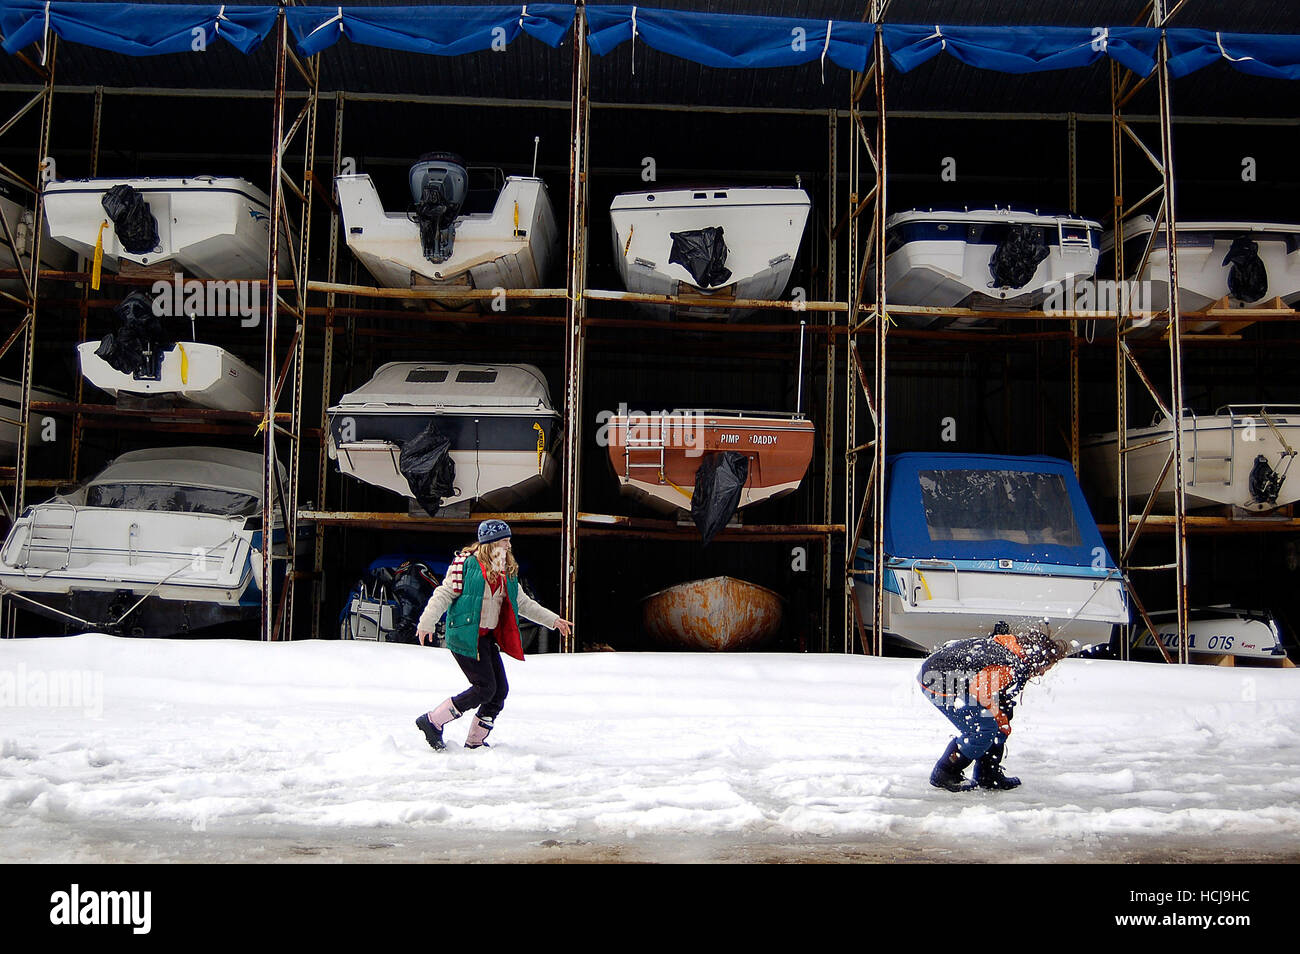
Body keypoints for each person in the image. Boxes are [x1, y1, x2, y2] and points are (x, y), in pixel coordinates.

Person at [413, 520, 572, 750]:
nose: (509, 546)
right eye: (505, 541)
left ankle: (475, 741)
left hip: (486, 638)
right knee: (485, 688)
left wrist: (553, 620)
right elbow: (444, 593)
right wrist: (426, 623)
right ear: (491, 542)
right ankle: (432, 721)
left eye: (509, 541)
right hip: (464, 635)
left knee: (500, 691)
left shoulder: (506, 569)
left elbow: (523, 603)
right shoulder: (465, 564)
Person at [917, 623, 1067, 791]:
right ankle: (945, 773)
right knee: (983, 728)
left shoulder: (1010, 649)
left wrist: (1000, 716)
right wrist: (998, 717)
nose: (1043, 673)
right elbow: (980, 691)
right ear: (1037, 660)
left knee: (1000, 716)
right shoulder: (1008, 665)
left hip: (953, 678)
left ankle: (987, 774)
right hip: (938, 681)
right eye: (1044, 669)